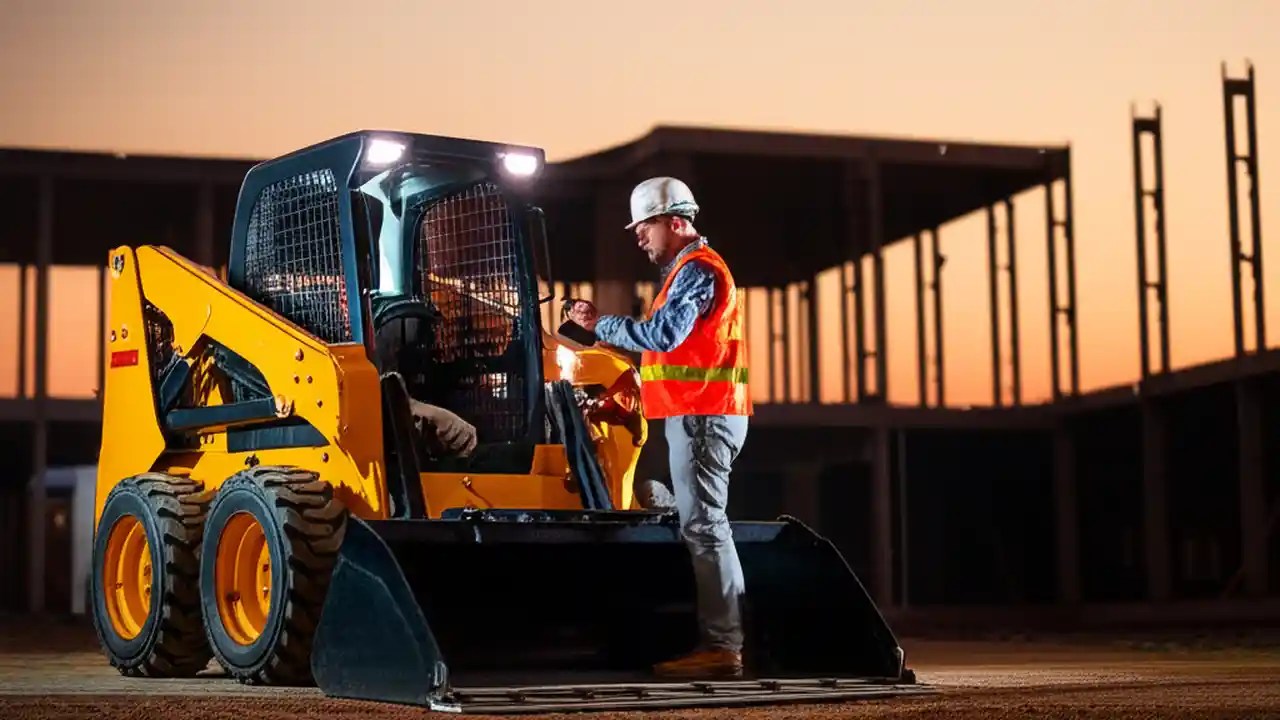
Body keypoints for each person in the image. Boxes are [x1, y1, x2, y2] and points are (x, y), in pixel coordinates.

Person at [566, 176, 751, 680]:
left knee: (706, 527)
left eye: (644, 225)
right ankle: (720, 640)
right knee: (698, 521)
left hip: (703, 418)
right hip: (698, 416)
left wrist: (600, 325)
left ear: (674, 222)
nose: (638, 236)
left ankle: (722, 646)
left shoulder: (697, 271)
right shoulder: (686, 273)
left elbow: (663, 336)